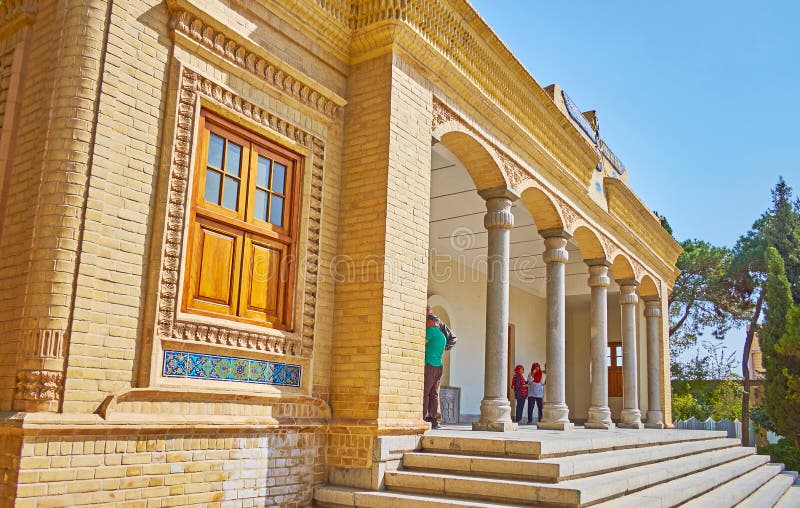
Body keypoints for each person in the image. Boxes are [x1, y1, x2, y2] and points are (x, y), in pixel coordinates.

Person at [424, 308, 447, 429]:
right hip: (439, 366)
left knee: (425, 392)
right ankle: (433, 419)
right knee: (434, 393)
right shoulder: (442, 335)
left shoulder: (430, 331)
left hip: (430, 365)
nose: (425, 323)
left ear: (432, 322)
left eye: (427, 321)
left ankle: (421, 418)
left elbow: (421, 342)